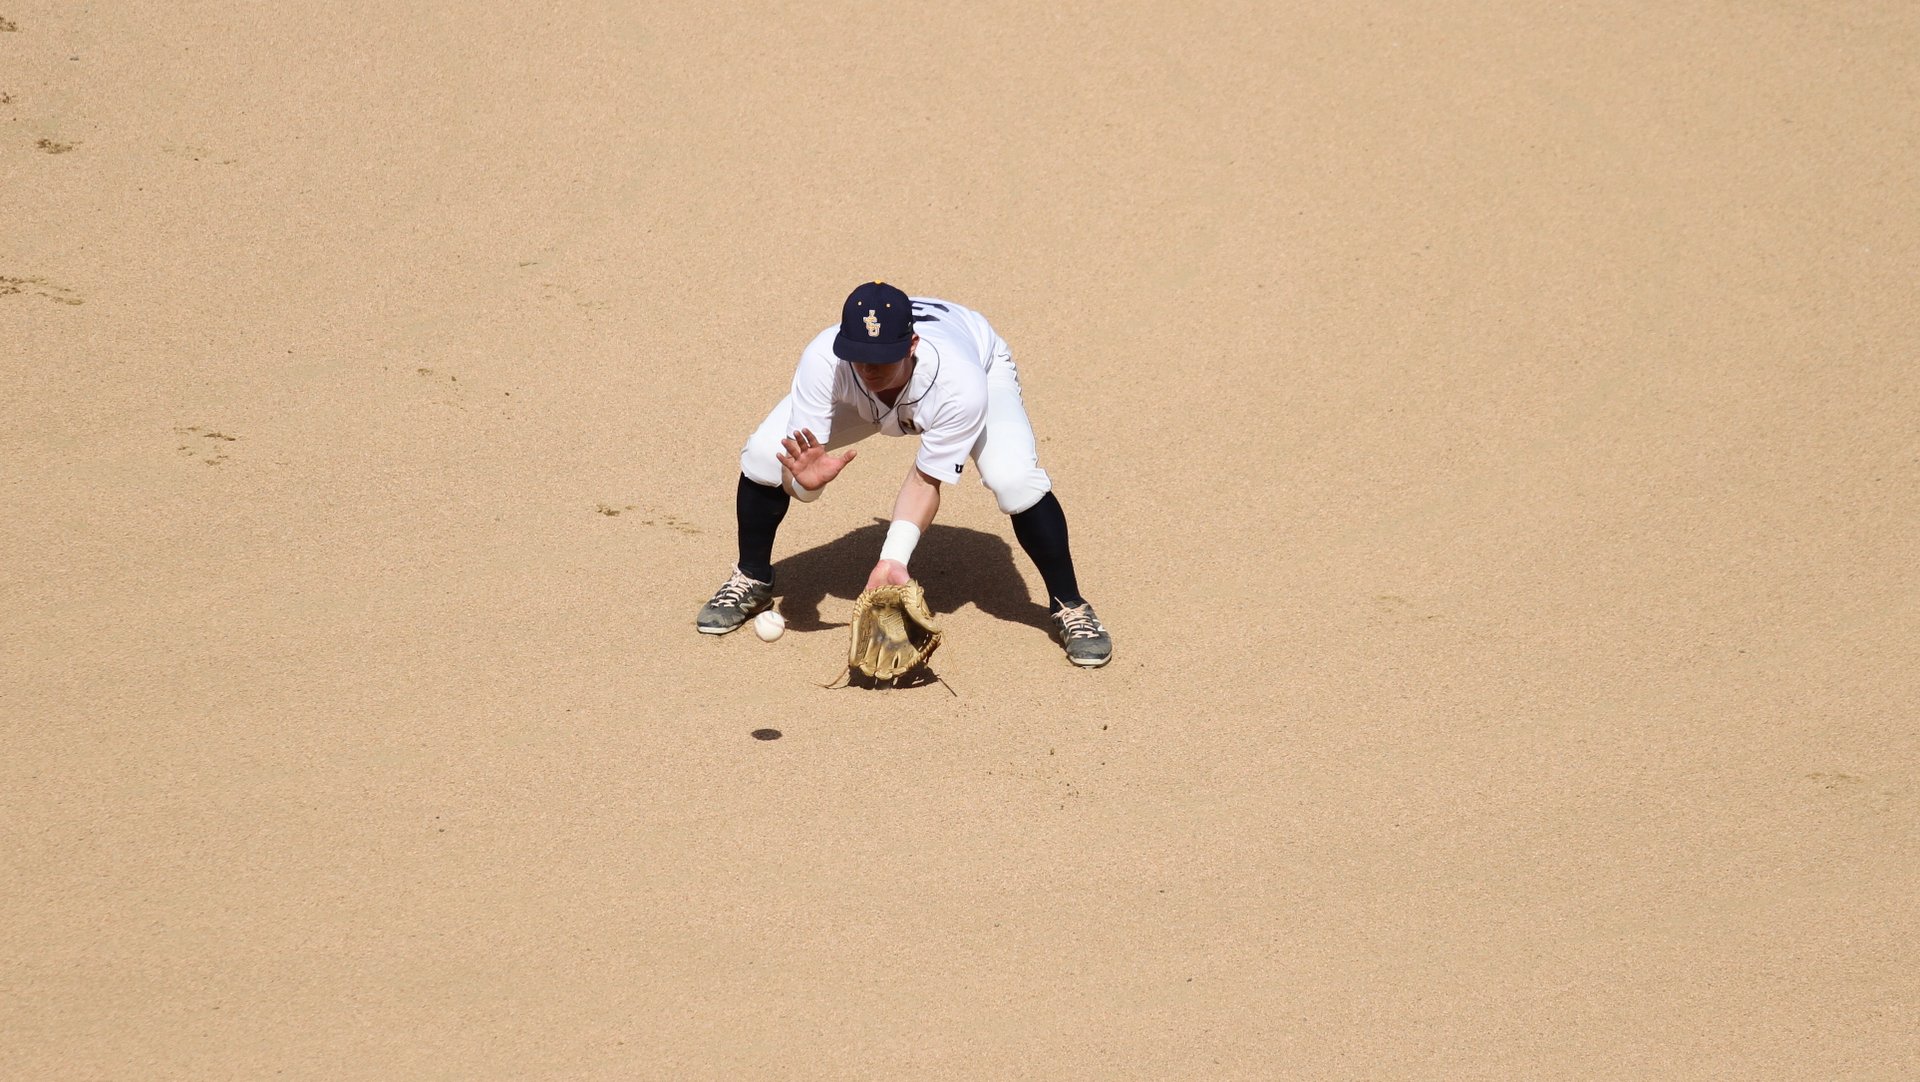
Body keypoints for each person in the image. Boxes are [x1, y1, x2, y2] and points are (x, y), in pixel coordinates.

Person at [695, 281, 1113, 668]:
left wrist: (892, 559)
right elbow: (804, 464)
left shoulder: (960, 383)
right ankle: (752, 576)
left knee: (1013, 479)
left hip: (979, 365)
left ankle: (1070, 604)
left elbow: (925, 480)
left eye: (881, 358)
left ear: (912, 344)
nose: (868, 368)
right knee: (764, 456)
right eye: (858, 354)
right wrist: (806, 487)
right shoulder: (826, 360)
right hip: (867, 399)